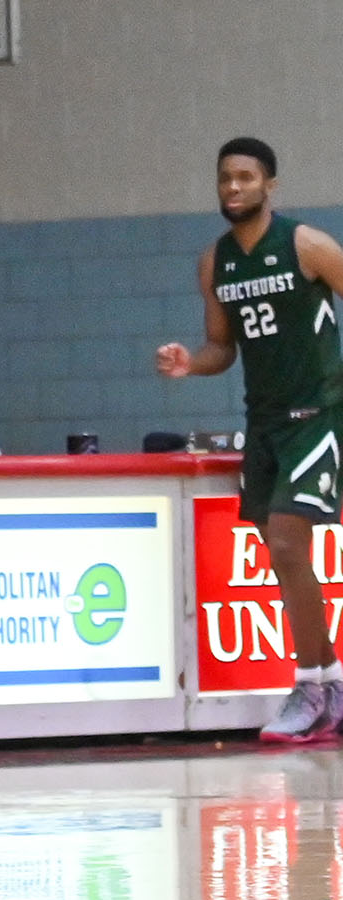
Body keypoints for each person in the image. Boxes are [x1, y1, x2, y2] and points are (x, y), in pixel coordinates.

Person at [157, 136, 343, 744]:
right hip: (262, 421)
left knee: (289, 543)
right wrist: (192, 361)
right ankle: (329, 684)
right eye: (224, 179)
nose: (232, 188)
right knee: (280, 554)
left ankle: (312, 685)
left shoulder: (307, 245)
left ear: (270, 185)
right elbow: (222, 347)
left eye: (244, 177)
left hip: (318, 414)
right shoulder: (214, 261)